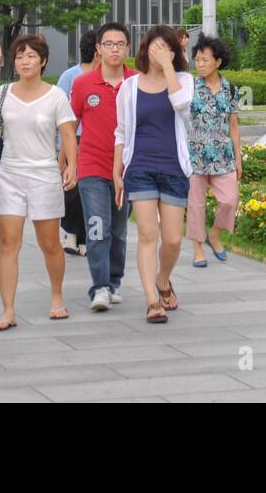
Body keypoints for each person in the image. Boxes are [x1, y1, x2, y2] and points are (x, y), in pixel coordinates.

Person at [0, 34, 78, 330]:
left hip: (44, 175)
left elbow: (68, 134)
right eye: (20, 56)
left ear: (43, 61)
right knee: (8, 243)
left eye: (31, 56)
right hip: (10, 174)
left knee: (49, 244)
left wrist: (72, 165)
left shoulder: (56, 96)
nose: (25, 61)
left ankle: (57, 296)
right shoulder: (3, 94)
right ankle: (8, 310)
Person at [112, 25, 193, 323]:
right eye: (153, 47)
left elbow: (183, 108)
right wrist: (117, 170)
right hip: (141, 167)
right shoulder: (130, 87)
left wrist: (169, 68)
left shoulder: (184, 80)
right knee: (148, 234)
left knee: (172, 239)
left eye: (165, 48)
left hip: (174, 168)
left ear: (174, 51)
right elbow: (120, 131)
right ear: (144, 50)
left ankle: (163, 280)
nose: (157, 52)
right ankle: (151, 300)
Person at [70, 23, 136, 311]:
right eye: (108, 44)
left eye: (120, 44)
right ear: (98, 48)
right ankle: (99, 287)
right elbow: (70, 126)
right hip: (92, 167)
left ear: (128, 48)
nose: (114, 49)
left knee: (119, 231)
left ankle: (115, 281)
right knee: (97, 228)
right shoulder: (83, 84)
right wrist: (68, 163)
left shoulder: (137, 82)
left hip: (127, 169)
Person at [186, 34, 241, 264]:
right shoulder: (189, 86)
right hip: (194, 156)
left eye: (204, 60)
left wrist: (238, 159)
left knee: (230, 200)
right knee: (196, 205)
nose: (199, 64)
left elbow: (234, 126)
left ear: (218, 62)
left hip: (223, 157)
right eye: (197, 60)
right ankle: (198, 249)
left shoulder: (230, 89)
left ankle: (214, 234)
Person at [56, 29, 99, 256]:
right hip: (74, 138)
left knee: (92, 192)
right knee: (72, 190)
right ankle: (71, 233)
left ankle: (86, 237)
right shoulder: (69, 76)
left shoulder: (107, 77)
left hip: (98, 141)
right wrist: (60, 150)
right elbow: (60, 115)